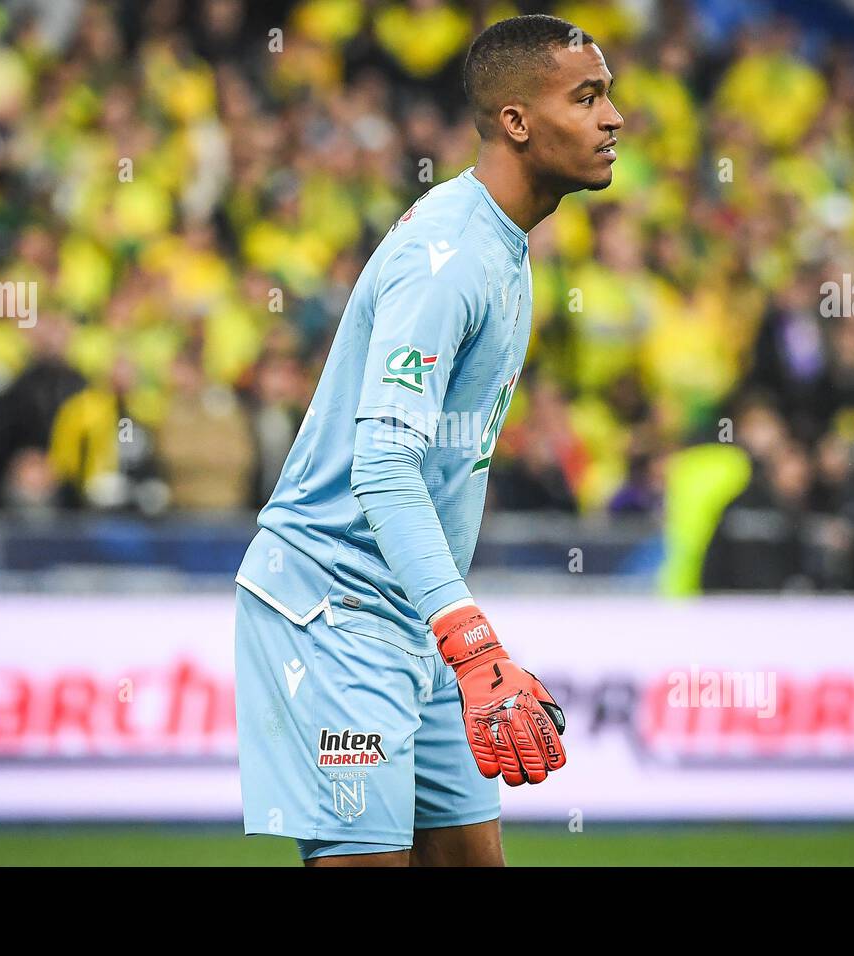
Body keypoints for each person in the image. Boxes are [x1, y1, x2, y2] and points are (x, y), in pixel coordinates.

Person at [232, 14, 623, 867]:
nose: (613, 118)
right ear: (516, 121)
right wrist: (473, 641)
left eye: (609, 96)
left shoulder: (502, 245)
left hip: (413, 614)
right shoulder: (450, 260)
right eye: (587, 97)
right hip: (332, 607)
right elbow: (381, 465)